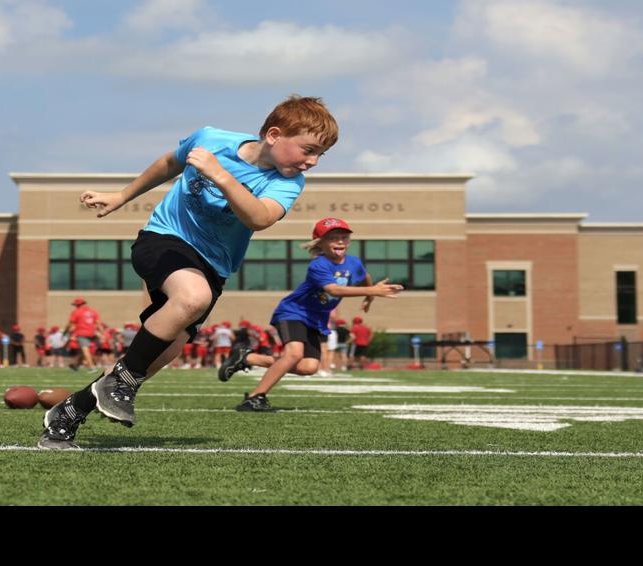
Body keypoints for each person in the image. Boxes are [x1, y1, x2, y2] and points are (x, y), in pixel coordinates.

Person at [39, 96, 336, 449]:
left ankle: (69, 412)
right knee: (192, 298)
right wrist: (122, 195)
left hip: (213, 266)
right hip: (164, 238)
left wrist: (220, 174)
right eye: (308, 149)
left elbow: (259, 217)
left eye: (320, 155)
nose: (312, 162)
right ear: (274, 134)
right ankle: (120, 382)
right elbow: (168, 163)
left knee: (158, 355)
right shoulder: (211, 139)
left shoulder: (287, 182)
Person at [220, 217, 400, 410]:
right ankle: (255, 397)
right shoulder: (319, 265)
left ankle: (247, 358)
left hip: (315, 319)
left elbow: (364, 276)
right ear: (320, 243)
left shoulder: (353, 263)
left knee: (309, 368)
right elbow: (334, 290)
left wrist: (369, 295)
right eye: (332, 238)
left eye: (344, 237)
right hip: (293, 312)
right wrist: (373, 291)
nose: (340, 241)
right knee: (293, 355)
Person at [67, 297, 100, 369]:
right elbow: (97, 323)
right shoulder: (93, 311)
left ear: (78, 305)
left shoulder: (76, 312)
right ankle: (76, 365)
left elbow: (70, 324)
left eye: (76, 305)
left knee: (85, 350)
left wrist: (66, 331)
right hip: (92, 333)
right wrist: (101, 333)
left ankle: (92, 367)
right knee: (84, 351)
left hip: (81, 333)